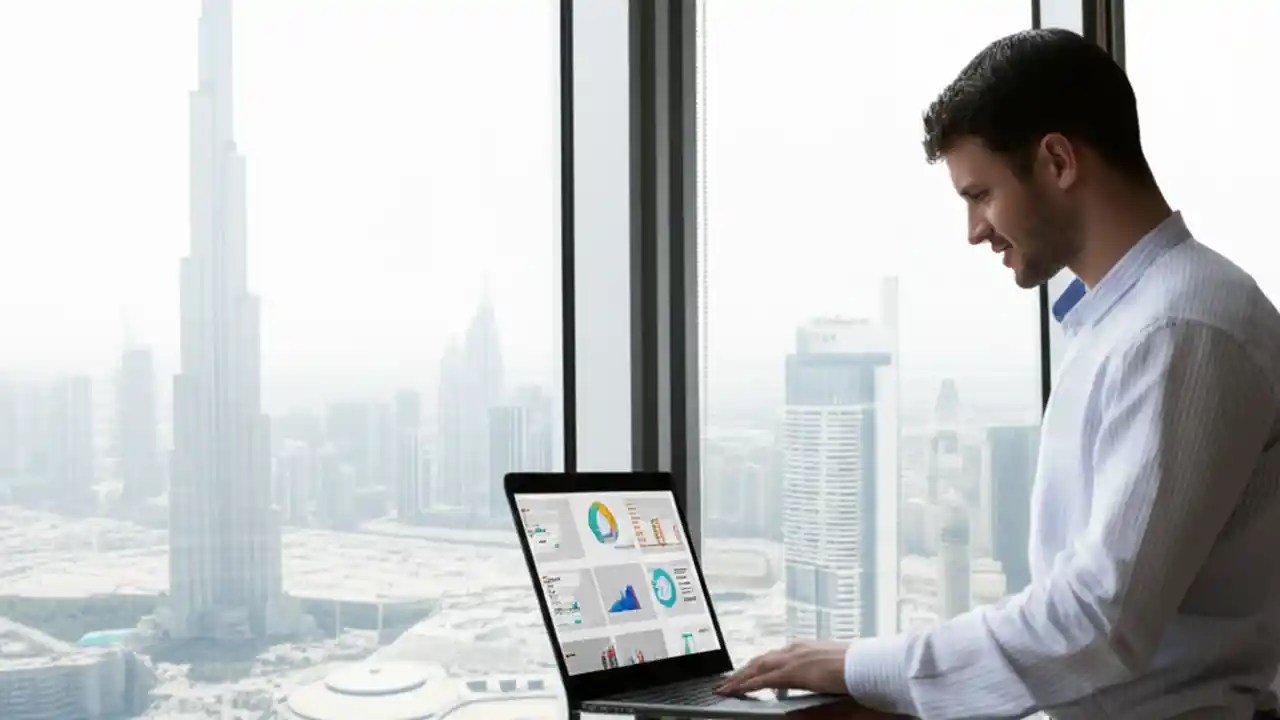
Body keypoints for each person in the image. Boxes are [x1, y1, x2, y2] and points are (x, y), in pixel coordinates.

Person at [715, 27, 1280, 720]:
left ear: (1057, 160)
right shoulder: (1136, 321)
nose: (974, 230)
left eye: (979, 193)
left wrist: (860, 665)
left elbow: (1098, 620)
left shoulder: (1180, 328)